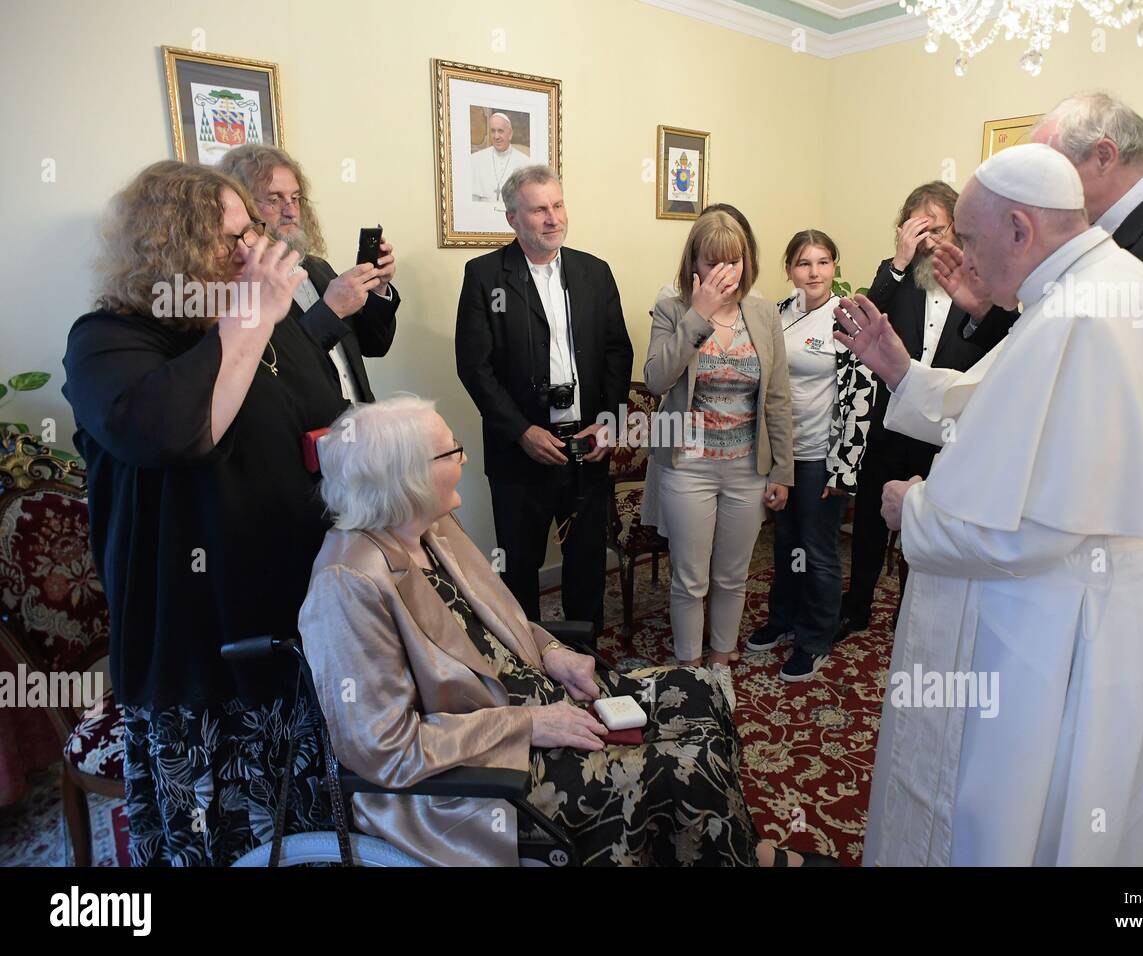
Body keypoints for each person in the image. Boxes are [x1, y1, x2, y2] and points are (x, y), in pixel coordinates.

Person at [834, 144, 1143, 865]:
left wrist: (913, 512)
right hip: (1094, 608)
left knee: (1023, 812)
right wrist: (897, 364)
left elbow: (1034, 528)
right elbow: (997, 403)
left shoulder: (1084, 312)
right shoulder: (1089, 290)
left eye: (975, 242)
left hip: (1068, 622)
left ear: (1020, 228)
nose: (966, 264)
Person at [298, 397, 832, 866]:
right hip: (483, 768)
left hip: (534, 698)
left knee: (699, 692)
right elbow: (383, 750)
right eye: (449, 453)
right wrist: (526, 725)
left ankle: (733, 848)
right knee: (678, 765)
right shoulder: (347, 584)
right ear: (406, 476)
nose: (463, 460)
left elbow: (500, 618)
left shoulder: (431, 527)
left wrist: (552, 651)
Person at [62, 161, 349, 865]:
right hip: (190, 627)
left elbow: (327, 420)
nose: (252, 250)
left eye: (251, 230)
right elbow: (176, 435)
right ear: (173, 248)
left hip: (290, 606)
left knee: (302, 811)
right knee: (211, 830)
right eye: (230, 238)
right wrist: (252, 314)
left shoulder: (269, 321)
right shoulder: (108, 339)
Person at [955, 92, 1143, 572]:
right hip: (1052, 523)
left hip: (1127, 530)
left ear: (1102, 156)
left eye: (1050, 166)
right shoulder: (1078, 245)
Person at [455, 165, 633, 637]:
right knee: (519, 566)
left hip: (587, 443)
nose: (553, 218)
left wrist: (610, 421)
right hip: (521, 450)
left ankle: (585, 656)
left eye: (557, 205)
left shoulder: (594, 272)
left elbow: (618, 350)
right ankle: (530, 662)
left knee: (586, 562)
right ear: (513, 218)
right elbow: (475, 367)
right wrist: (520, 431)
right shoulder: (484, 276)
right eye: (539, 209)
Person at [839, 183, 1018, 638]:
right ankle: (855, 607)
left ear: (957, 230)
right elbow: (864, 316)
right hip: (889, 424)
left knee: (925, 525)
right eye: (917, 231)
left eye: (936, 230)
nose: (928, 242)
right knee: (870, 526)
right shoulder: (899, 275)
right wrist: (899, 262)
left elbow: (1001, 341)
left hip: (949, 431)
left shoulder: (978, 283)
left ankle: (910, 614)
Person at [642, 211, 794, 670]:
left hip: (748, 468)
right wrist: (699, 315)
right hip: (688, 467)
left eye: (735, 262)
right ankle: (689, 669)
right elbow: (655, 379)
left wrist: (782, 471)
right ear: (695, 264)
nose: (726, 273)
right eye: (715, 263)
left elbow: (779, 398)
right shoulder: (673, 310)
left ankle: (721, 661)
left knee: (732, 576)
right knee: (689, 580)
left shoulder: (765, 314)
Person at [746, 230, 872, 681]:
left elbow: (861, 396)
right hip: (782, 454)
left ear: (835, 266)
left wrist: (846, 466)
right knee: (784, 544)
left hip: (823, 454)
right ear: (789, 269)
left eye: (823, 262)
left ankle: (814, 639)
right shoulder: (776, 314)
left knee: (817, 550)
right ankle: (782, 621)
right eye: (804, 263)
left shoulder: (848, 319)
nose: (814, 272)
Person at [218, 144, 399, 404]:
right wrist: (331, 310)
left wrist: (379, 288)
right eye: (274, 199)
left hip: (358, 426)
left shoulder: (319, 268)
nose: (291, 211)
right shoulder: (240, 286)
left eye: (295, 198)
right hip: (302, 437)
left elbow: (374, 345)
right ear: (243, 206)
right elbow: (278, 372)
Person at [470, 113, 530, 206]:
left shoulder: (525, 162)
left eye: (500, 131)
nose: (496, 136)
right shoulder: (476, 159)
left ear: (510, 134)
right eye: (493, 131)